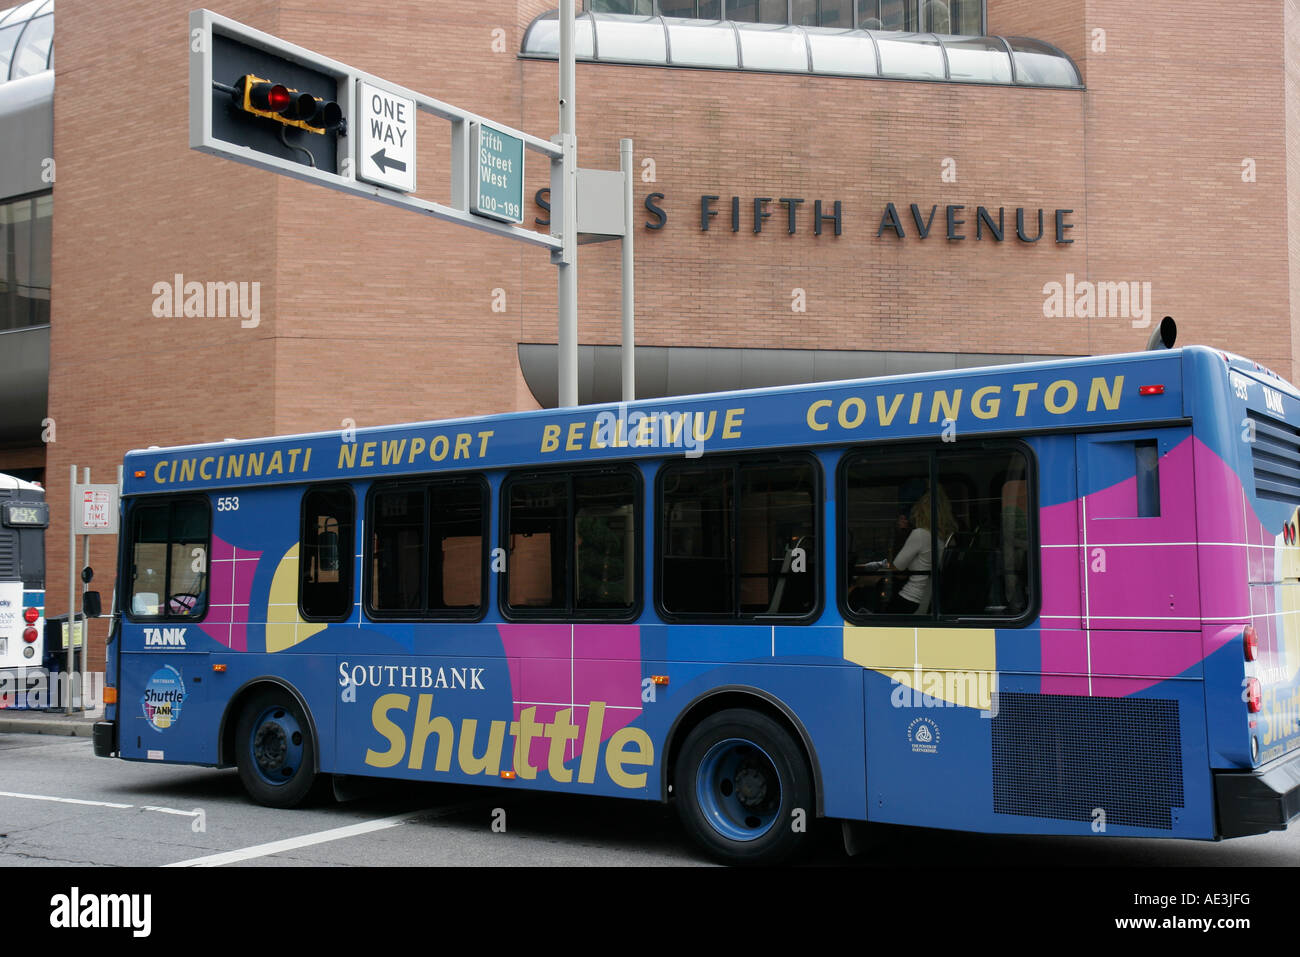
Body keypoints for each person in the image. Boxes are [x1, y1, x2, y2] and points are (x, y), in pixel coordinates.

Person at [862, 488, 957, 615]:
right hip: (927, 599)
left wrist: (901, 534)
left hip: (909, 599)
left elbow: (897, 570)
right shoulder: (949, 539)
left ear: (921, 512)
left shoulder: (920, 534)